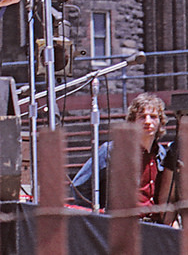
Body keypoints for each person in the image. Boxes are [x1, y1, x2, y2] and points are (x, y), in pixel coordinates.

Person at [70, 92, 174, 221]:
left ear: (160, 122)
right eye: (142, 117)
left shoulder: (162, 154)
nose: (148, 122)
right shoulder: (111, 151)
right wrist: (97, 219)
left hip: (155, 227)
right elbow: (79, 185)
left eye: (153, 117)